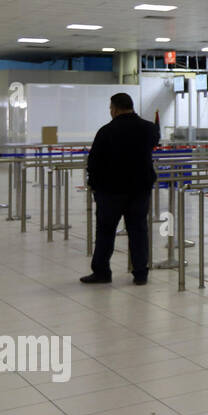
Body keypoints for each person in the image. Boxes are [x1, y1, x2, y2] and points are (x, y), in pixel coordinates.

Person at [82, 92, 160, 285]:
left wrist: (93, 185)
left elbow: (94, 162)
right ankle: (140, 273)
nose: (110, 112)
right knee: (138, 231)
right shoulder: (149, 129)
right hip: (140, 190)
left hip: (111, 191)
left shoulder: (106, 131)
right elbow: (152, 145)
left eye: (110, 108)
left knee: (106, 232)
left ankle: (102, 271)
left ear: (115, 109)